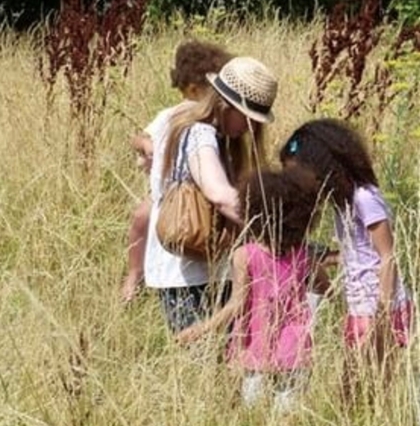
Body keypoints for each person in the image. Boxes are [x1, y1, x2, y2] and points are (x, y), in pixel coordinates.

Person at [278, 118, 413, 406]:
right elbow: (358, 253)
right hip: (359, 304)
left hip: (377, 305)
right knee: (355, 385)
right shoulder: (343, 204)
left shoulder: (365, 199)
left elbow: (387, 256)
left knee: (368, 383)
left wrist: (383, 310)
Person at [144, 55, 277, 333]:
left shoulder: (192, 126)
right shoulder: (199, 135)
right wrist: (273, 225)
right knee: (200, 364)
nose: (251, 127)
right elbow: (218, 194)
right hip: (187, 276)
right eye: (248, 118)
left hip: (207, 268)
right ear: (225, 105)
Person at [177, 167, 321, 411]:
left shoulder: (245, 255)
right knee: (288, 414)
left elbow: (237, 304)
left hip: (257, 348)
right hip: (295, 348)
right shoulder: (302, 255)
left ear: (253, 212)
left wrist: (203, 328)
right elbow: (324, 287)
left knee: (253, 412)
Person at [121, 40, 234, 302]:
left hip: (194, 195)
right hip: (170, 195)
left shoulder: (212, 122)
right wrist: (147, 146)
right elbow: (138, 138)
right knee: (141, 217)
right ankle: (133, 274)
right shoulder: (172, 116)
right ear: (195, 89)